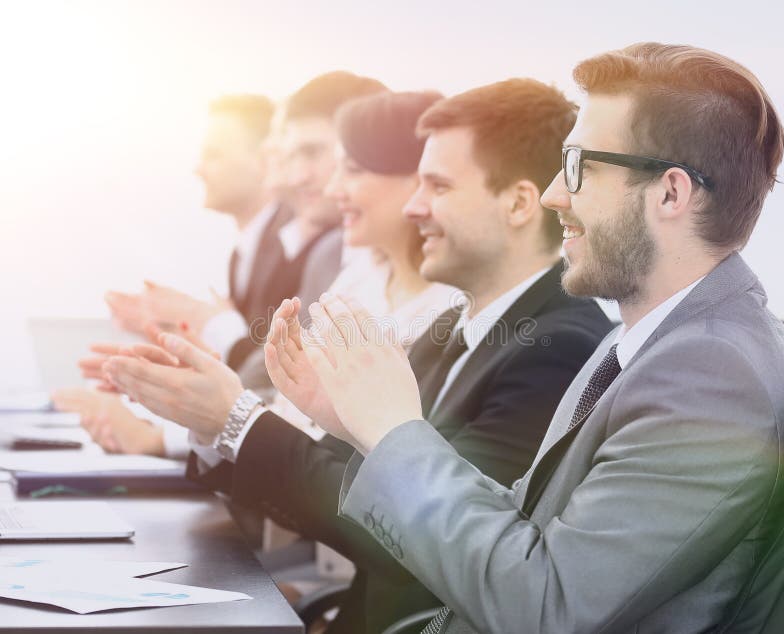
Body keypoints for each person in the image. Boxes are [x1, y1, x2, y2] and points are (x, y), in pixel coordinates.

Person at [259, 43, 784, 633]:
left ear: (671, 193)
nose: (552, 194)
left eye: (578, 166)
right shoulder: (649, 339)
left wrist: (396, 432)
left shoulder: (711, 373)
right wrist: (362, 425)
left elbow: (546, 607)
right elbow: (524, 524)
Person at [103, 79, 613, 632]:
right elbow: (345, 479)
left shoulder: (557, 348)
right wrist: (245, 420)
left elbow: (419, 542)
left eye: (437, 186)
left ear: (517, 204)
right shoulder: (452, 325)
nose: (415, 207)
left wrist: (235, 420)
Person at [60, 73, 387, 456]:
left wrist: (212, 331)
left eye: (214, 154)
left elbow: (279, 390)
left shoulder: (321, 249)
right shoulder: (304, 252)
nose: (293, 172)